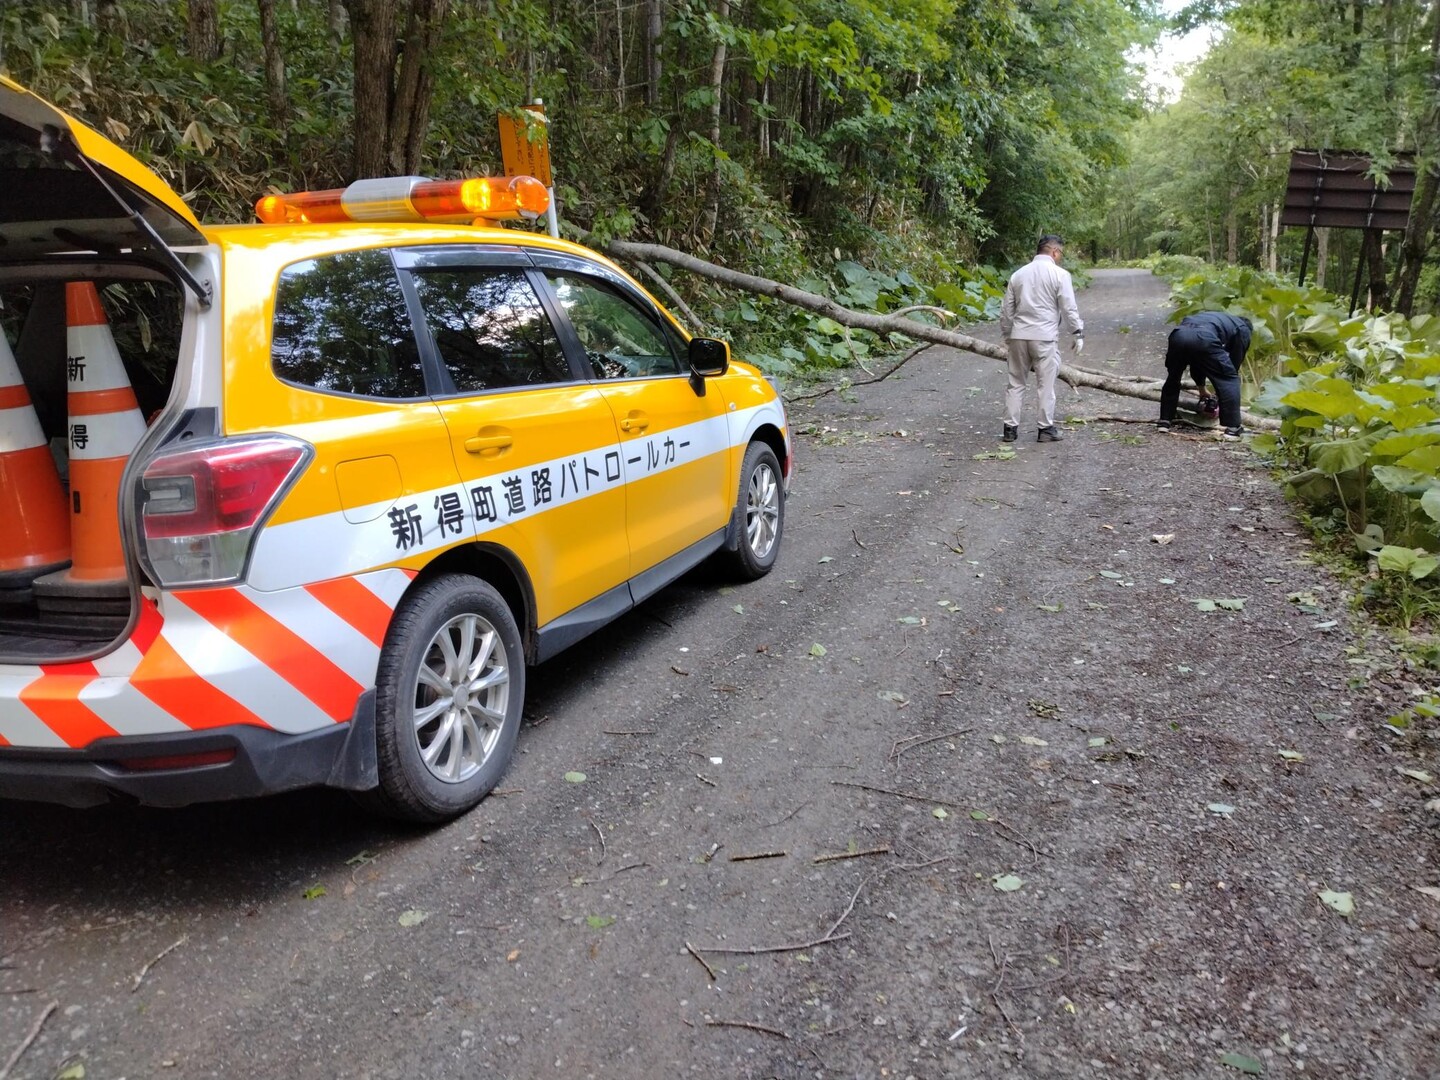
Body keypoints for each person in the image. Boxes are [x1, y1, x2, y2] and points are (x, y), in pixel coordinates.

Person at [999, 235, 1084, 443]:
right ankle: (1045, 428)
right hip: (1044, 337)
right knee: (1045, 384)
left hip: (1019, 335)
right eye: (1060, 253)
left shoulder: (1018, 275)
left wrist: (1007, 334)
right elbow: (1068, 307)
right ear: (1054, 252)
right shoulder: (1060, 275)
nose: (1060, 257)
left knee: (1015, 383)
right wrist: (1077, 332)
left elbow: (1006, 310)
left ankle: (1010, 429)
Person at [1157, 311, 1251, 439]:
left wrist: (1202, 389)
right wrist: (1223, 392)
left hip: (1178, 335)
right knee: (1230, 378)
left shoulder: (1216, 319)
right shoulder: (1242, 328)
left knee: (1173, 376)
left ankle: (1165, 421)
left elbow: (1198, 360)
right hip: (1204, 337)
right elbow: (1234, 364)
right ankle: (1233, 428)